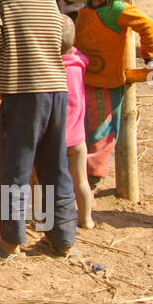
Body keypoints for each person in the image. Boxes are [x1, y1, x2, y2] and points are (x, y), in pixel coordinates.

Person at [0, 0, 77, 257]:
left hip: (22, 95)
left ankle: (10, 240)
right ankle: (63, 238)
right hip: (56, 91)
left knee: (14, 168)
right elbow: (57, 38)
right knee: (55, 166)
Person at [72, 0, 153, 188]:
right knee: (86, 127)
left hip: (106, 83)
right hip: (86, 79)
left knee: (101, 130)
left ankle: (93, 176)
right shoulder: (90, 6)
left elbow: (147, 26)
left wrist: (150, 57)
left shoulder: (115, 8)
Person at [61, 17, 93, 229]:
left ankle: (40, 216)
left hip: (56, 139)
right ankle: (86, 218)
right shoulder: (79, 62)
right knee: (81, 181)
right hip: (78, 138)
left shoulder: (54, 67)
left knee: (41, 181)